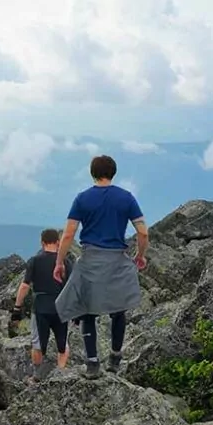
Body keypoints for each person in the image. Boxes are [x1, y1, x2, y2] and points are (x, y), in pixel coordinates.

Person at [53, 154, 149, 378]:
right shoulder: (126, 198)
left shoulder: (82, 199)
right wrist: (140, 255)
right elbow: (143, 231)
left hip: (90, 260)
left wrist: (59, 262)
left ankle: (93, 363)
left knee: (87, 312)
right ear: (113, 172)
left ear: (92, 173)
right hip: (117, 260)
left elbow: (68, 234)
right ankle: (115, 357)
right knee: (119, 310)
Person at [11, 228, 73, 381]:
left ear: (42, 242)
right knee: (63, 342)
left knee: (37, 343)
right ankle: (60, 374)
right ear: (58, 243)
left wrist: (17, 308)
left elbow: (25, 286)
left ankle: (37, 376)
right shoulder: (65, 262)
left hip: (40, 307)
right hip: (61, 307)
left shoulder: (35, 261)